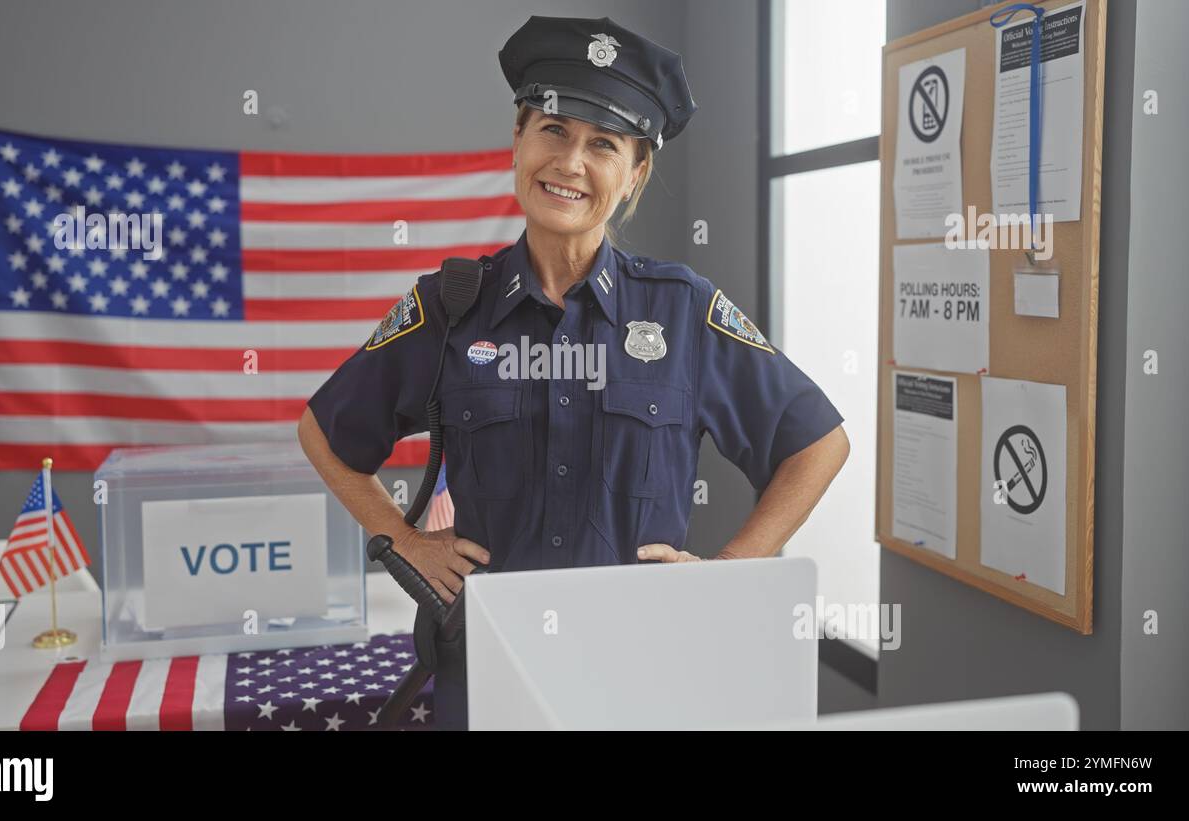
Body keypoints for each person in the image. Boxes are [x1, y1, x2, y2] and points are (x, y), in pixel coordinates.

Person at [298, 15, 850, 729]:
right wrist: (399, 538)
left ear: (635, 174)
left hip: (647, 681)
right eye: (552, 130)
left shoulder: (682, 310)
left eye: (603, 144)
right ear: (518, 141)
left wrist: (734, 569)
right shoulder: (446, 307)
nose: (570, 163)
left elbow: (818, 441)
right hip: (489, 674)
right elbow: (324, 431)